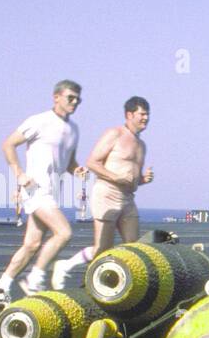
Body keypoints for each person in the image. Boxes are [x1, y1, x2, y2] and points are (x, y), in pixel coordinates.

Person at [0, 80, 84, 300]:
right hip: (35, 190)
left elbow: (69, 161)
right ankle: (35, 278)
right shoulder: (39, 121)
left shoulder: (73, 129)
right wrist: (19, 174)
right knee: (64, 233)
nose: (75, 102)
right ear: (56, 97)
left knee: (32, 244)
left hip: (52, 193)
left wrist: (77, 170)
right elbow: (8, 144)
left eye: (78, 99)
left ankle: (0, 288)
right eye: (70, 98)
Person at [52, 96, 153, 288]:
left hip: (128, 198)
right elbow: (92, 162)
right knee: (103, 248)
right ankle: (67, 266)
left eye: (148, 114)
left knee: (134, 246)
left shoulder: (141, 145)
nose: (146, 118)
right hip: (107, 194)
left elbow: (133, 178)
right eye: (142, 114)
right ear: (129, 114)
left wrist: (143, 180)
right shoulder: (114, 134)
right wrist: (115, 177)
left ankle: (121, 285)